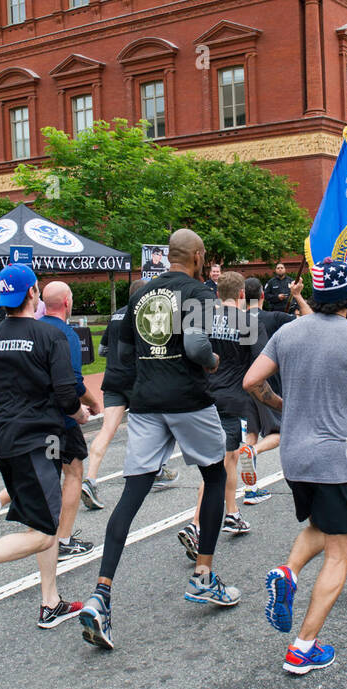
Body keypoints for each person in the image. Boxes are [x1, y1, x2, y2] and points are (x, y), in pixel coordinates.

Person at [77, 229, 239, 651]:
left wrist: (141, 388)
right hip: (187, 398)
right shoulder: (198, 293)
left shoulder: (141, 295)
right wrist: (212, 361)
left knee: (133, 492)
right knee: (216, 475)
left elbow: (123, 354)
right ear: (199, 256)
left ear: (168, 256)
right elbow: (198, 343)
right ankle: (203, 575)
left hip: (146, 402)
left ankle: (101, 593)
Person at [245, 259, 347, 673]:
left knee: (320, 524)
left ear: (313, 294)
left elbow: (251, 382)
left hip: (294, 457)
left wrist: (281, 404)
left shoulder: (288, 333)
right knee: (339, 550)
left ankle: (287, 572)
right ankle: (303, 647)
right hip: (336, 461)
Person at [0, 264, 92, 628]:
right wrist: (80, 414)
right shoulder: (48, 336)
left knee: (43, 516)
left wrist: (4, 389)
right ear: (32, 294)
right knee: (44, 534)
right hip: (38, 440)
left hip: (3, 439)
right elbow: (64, 391)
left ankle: (50, 601)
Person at [177, 271, 268, 547]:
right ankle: (195, 524)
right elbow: (261, 365)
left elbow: (190, 354)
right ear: (242, 294)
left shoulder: (202, 319)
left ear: (217, 293)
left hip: (205, 397)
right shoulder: (249, 323)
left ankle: (232, 513)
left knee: (227, 460)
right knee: (218, 463)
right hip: (234, 400)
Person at [82, 281, 179, 509]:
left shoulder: (116, 315)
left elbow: (103, 350)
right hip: (137, 380)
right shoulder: (147, 313)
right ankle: (156, 470)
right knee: (159, 425)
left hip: (113, 379)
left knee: (107, 430)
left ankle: (91, 479)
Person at [37, 281, 100, 561]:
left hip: (34, 417)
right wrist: (91, 404)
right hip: (62, 419)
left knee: (45, 472)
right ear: (66, 302)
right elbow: (72, 383)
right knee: (73, 472)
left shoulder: (33, 329)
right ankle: (62, 539)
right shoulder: (67, 335)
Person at [240, 275, 309, 504]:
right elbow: (311, 322)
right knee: (281, 432)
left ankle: (251, 490)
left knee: (251, 432)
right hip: (271, 383)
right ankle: (255, 452)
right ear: (262, 295)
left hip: (244, 382)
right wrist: (297, 296)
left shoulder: (237, 319)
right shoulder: (273, 317)